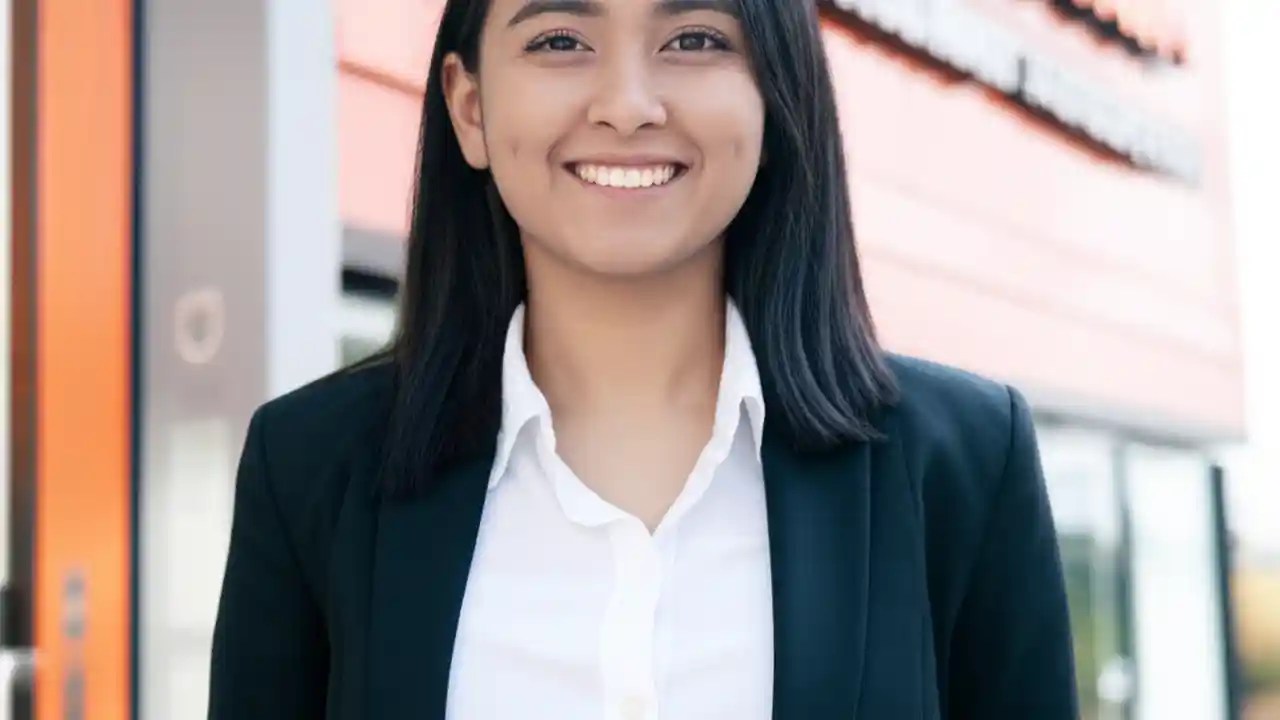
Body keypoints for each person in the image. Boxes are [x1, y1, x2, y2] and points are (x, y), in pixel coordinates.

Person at [208, 0, 1078, 717]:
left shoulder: (963, 463)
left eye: (694, 39)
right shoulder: (314, 466)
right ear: (470, 107)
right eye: (560, 40)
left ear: (776, 96)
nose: (627, 103)